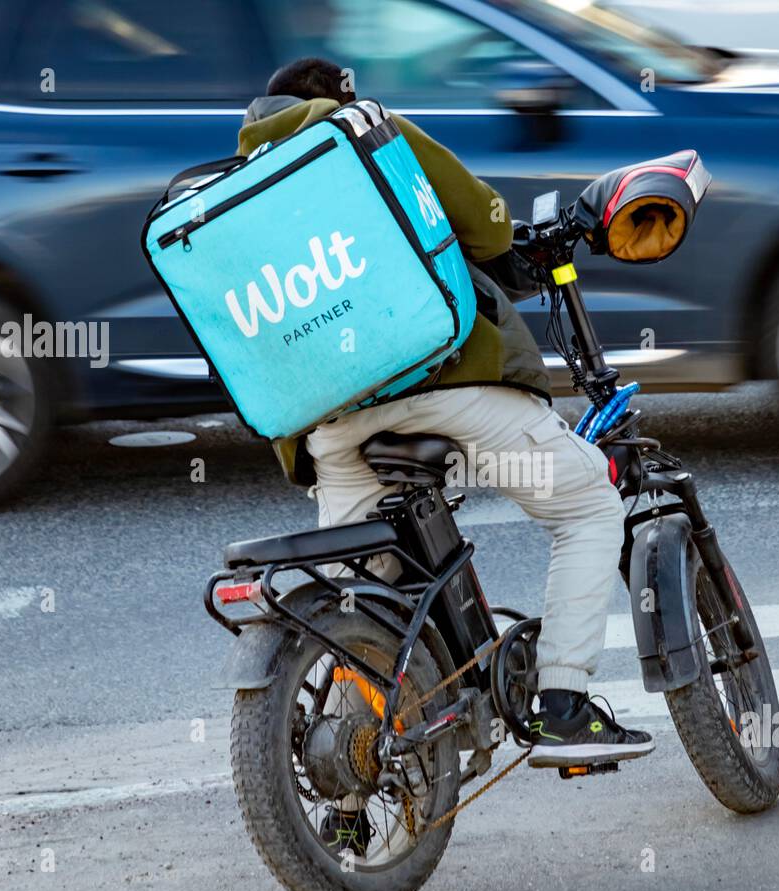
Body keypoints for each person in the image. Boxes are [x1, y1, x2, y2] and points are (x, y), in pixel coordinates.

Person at [240, 59, 654, 844]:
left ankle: (351, 815)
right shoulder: (367, 128)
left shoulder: (240, 190)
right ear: (341, 93)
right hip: (447, 392)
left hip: (332, 427)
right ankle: (563, 706)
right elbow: (489, 225)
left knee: (360, 604)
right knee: (588, 504)